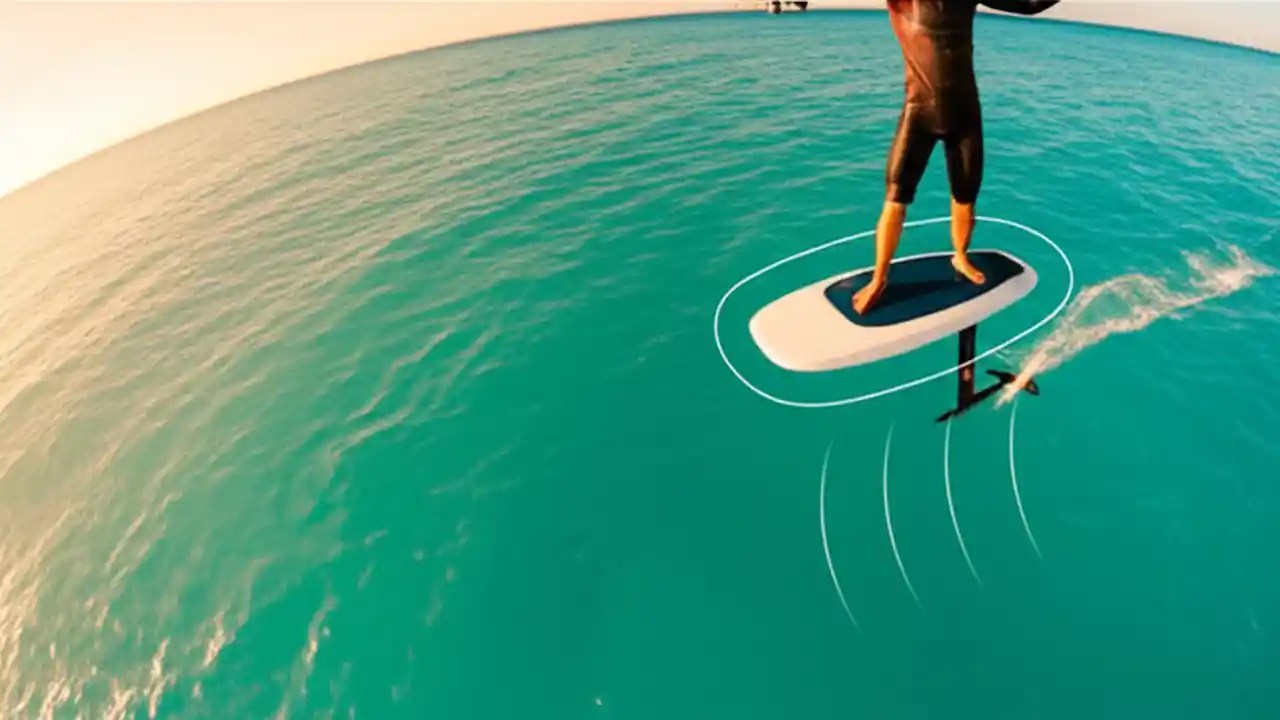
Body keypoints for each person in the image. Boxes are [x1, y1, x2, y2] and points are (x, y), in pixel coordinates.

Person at [853, 0, 1061, 315]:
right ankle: (879, 277)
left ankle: (960, 256)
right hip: (918, 115)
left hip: (964, 115)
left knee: (965, 196)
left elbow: (1030, 5)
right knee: (896, 198)